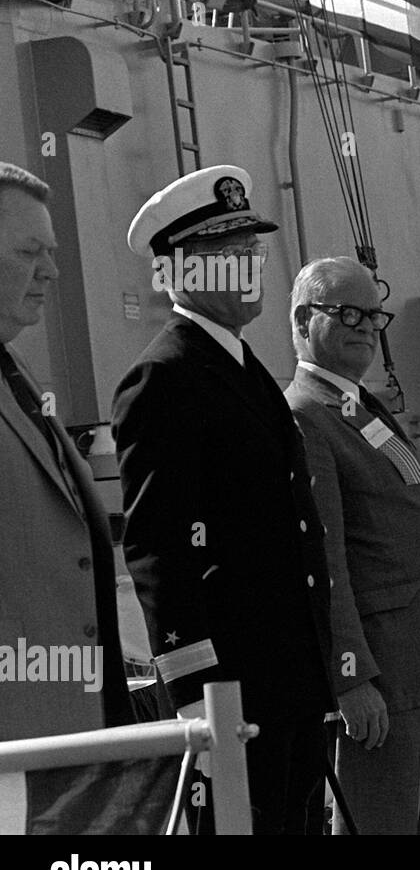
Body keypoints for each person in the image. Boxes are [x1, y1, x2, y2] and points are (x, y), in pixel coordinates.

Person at [113, 165, 334, 834]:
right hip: (232, 687)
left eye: (251, 251)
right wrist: (193, 696)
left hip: (288, 680)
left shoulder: (245, 370)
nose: (247, 266)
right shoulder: (164, 378)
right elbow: (158, 547)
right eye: (226, 254)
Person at [283, 257, 420, 834]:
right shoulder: (307, 415)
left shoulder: (359, 407)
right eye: (346, 313)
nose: (365, 326)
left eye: (372, 314)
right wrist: (351, 676)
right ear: (305, 320)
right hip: (386, 677)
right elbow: (323, 558)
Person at [0, 162, 132, 742]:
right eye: (30, 252)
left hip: (72, 725)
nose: (50, 271)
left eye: (51, 252)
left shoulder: (17, 372)